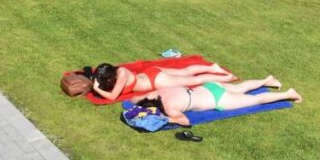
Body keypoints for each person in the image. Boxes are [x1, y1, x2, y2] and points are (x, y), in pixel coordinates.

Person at [132, 76, 301, 124]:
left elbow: (185, 121)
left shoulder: (169, 108)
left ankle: (288, 94)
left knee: (255, 100)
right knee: (241, 87)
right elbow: (135, 98)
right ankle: (266, 80)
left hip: (218, 99)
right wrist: (141, 103)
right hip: (209, 86)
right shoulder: (160, 92)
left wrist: (165, 118)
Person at [90, 61, 235, 103]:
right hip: (151, 72)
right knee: (185, 72)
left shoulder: (121, 76)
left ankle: (226, 78)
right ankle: (212, 67)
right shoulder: (120, 70)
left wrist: (96, 89)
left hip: (156, 80)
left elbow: (112, 96)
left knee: (194, 80)